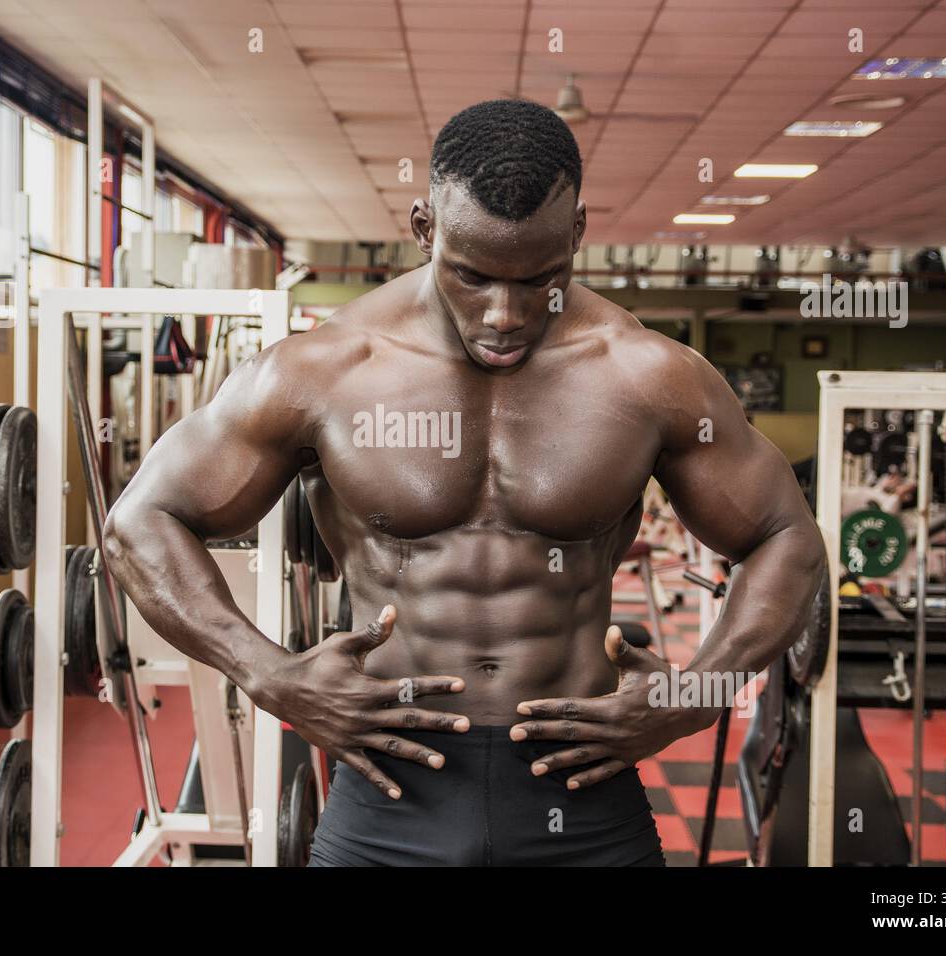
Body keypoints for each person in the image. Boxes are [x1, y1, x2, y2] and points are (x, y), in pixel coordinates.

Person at [103, 99, 826, 866]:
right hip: (389, 786)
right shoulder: (323, 371)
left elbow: (788, 541)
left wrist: (691, 698)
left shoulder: (649, 376)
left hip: (580, 788)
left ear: (578, 232)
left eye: (540, 278)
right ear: (423, 228)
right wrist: (268, 675)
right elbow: (139, 522)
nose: (506, 314)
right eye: (472, 276)